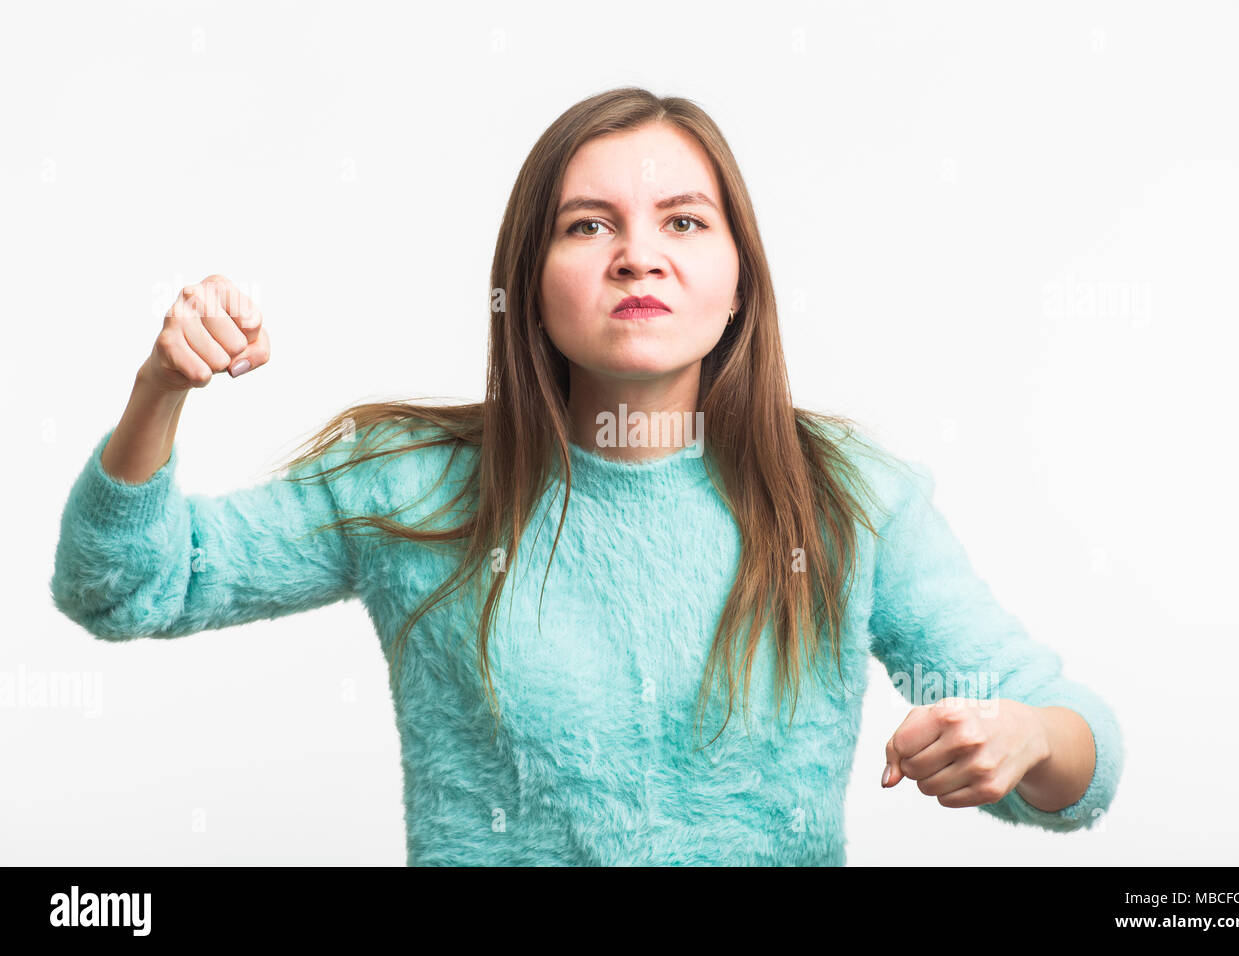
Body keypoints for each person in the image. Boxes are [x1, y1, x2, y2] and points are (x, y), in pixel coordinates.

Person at [49, 86, 1124, 866]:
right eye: (587, 225)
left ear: (738, 277)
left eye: (684, 222)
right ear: (529, 282)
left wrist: (1023, 733)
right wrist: (161, 388)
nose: (638, 255)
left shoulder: (849, 498)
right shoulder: (408, 484)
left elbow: (1074, 747)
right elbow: (129, 583)